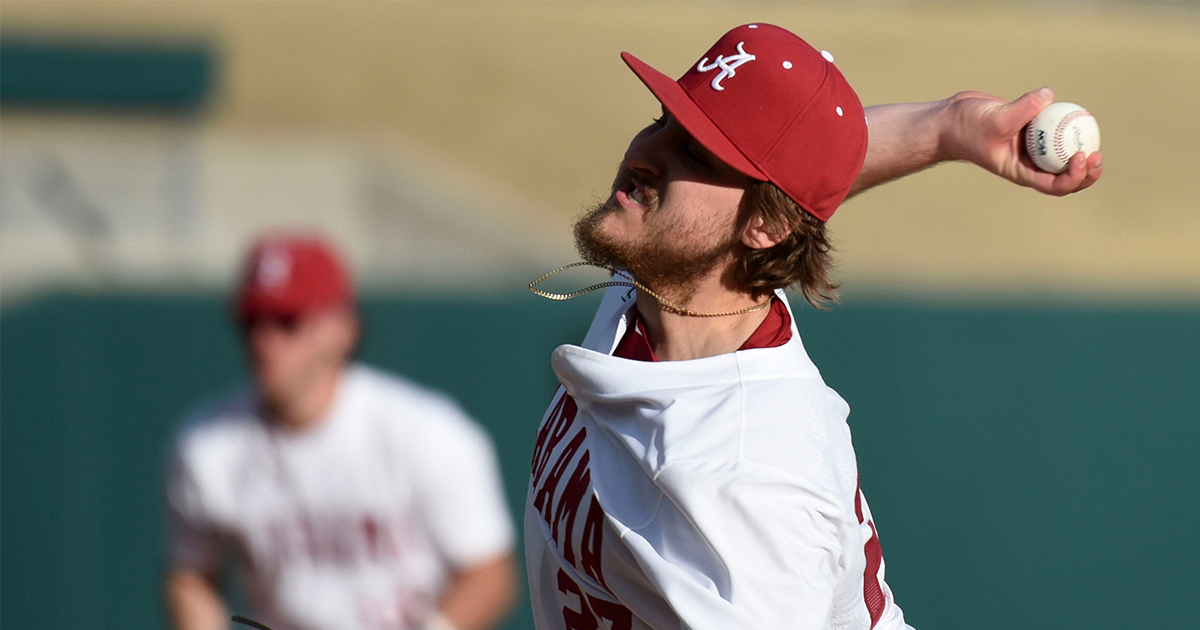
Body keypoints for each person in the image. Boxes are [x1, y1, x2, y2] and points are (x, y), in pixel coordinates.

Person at [523, 23, 1102, 630]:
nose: (646, 155)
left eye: (695, 153)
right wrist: (946, 127)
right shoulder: (671, 281)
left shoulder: (744, 479)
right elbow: (790, 187)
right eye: (664, 119)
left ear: (766, 228)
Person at [165, 235, 518, 630]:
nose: (264, 340)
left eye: (287, 321)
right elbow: (193, 576)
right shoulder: (207, 444)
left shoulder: (426, 432)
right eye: (251, 322)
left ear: (342, 328)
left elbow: (489, 575)